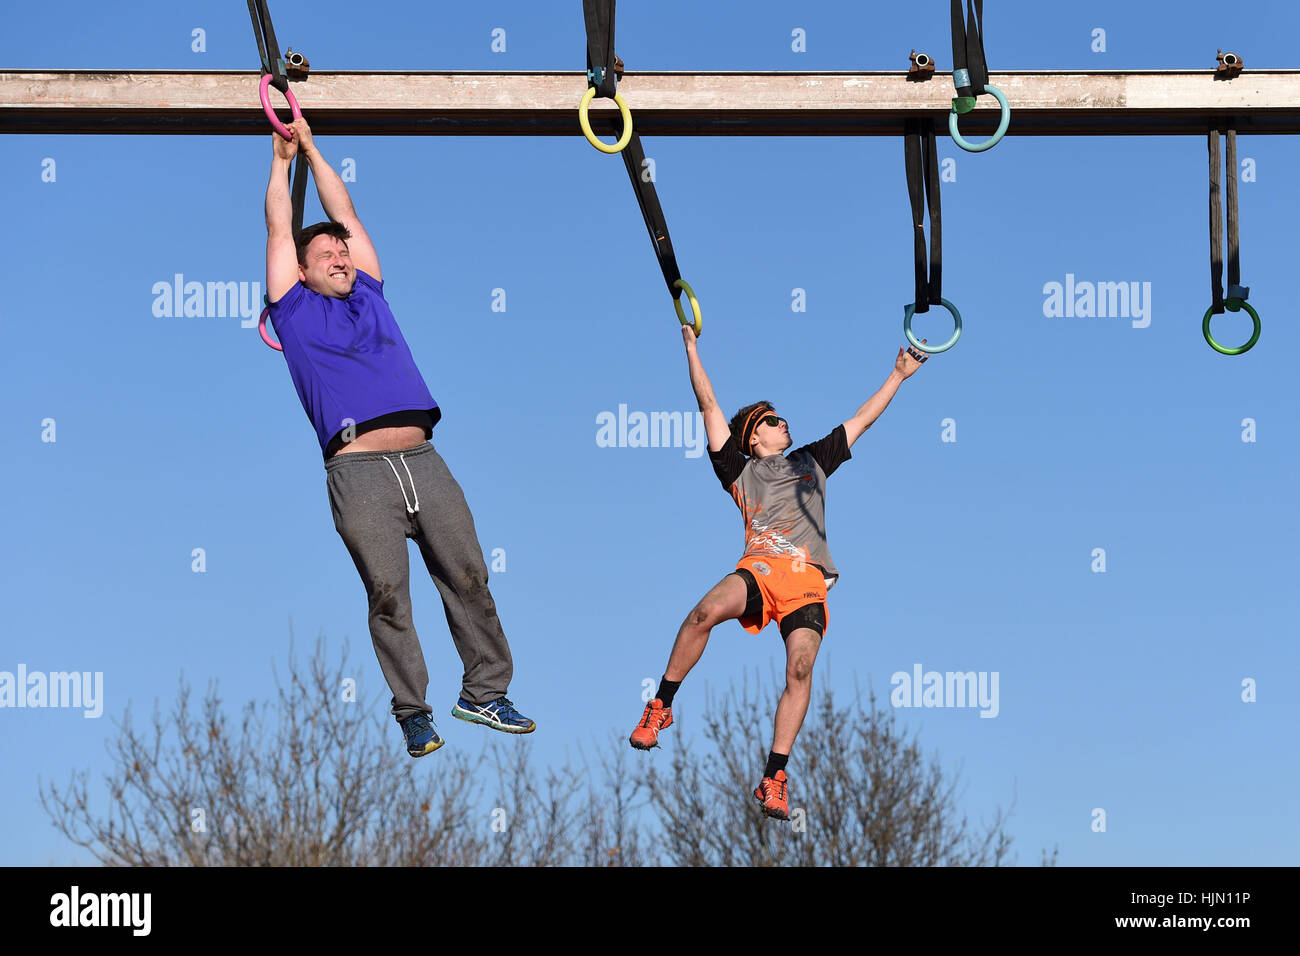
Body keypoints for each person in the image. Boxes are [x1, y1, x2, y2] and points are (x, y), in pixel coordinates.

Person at [263, 118, 533, 758]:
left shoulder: (373, 295)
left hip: (424, 459)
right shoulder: (295, 313)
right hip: (358, 473)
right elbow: (280, 227)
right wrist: (280, 160)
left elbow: (346, 210)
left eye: (343, 251)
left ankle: (484, 692)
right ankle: (413, 709)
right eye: (326, 254)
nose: (340, 257)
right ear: (300, 272)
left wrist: (312, 146)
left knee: (469, 574)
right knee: (388, 592)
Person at [629, 323, 929, 818]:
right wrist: (690, 346)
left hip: (807, 580)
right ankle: (661, 704)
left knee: (801, 668)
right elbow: (707, 405)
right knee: (703, 612)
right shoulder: (738, 470)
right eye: (773, 421)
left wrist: (898, 375)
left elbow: (862, 420)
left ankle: (774, 775)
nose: (783, 423)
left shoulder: (814, 459)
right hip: (760, 568)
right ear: (754, 435)